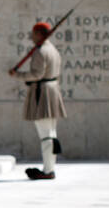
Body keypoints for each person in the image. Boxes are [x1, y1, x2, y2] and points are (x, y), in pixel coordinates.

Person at [10, 21, 67, 180]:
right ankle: (50, 168)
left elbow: (36, 74)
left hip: (43, 92)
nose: (32, 37)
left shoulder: (41, 52)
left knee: (46, 135)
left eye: (34, 34)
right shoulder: (53, 50)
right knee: (50, 132)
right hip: (51, 89)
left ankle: (48, 170)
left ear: (40, 34)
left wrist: (18, 75)